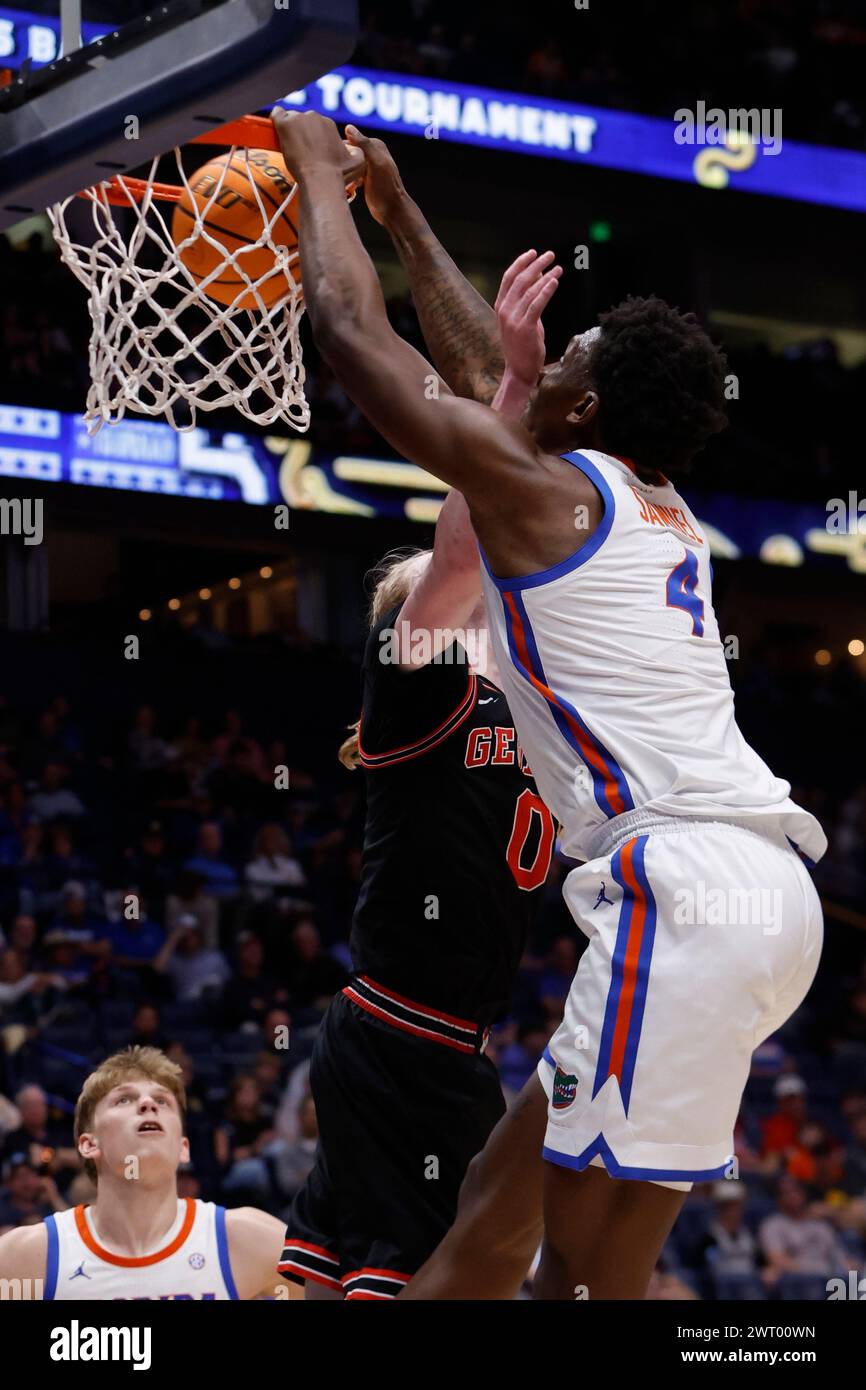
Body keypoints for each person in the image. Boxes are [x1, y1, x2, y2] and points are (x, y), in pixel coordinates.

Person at [271, 110, 826, 1300]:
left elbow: (355, 335)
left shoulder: (553, 499)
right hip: (764, 895)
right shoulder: (646, 496)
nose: (544, 363)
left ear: (579, 416)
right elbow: (489, 383)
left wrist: (318, 177)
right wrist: (404, 211)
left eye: (565, 364)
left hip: (677, 891)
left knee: (575, 1270)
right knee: (498, 1227)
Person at [279, 483, 554, 1299]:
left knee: (336, 1277)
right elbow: (467, 550)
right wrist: (499, 411)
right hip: (410, 1030)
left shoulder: (538, 711)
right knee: (441, 1282)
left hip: (416, 1035)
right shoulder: (419, 690)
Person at [0, 1046, 301, 1299]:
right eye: (124, 1099)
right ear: (89, 1144)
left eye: (162, 1101)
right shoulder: (28, 1257)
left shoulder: (247, 1238)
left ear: (183, 1148)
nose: (147, 1104)